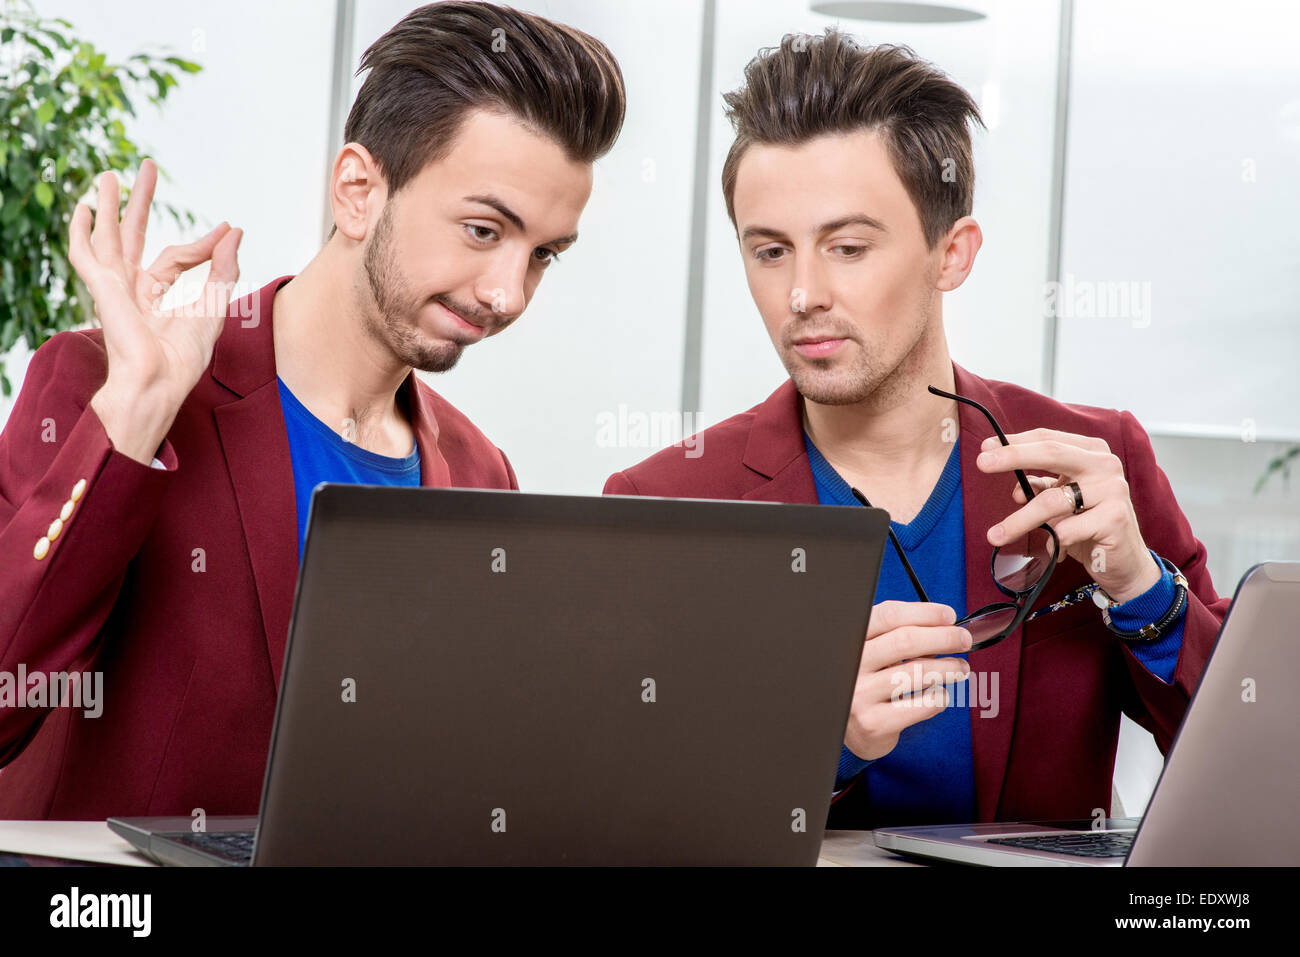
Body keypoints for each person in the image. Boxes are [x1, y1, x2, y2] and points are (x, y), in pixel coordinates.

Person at [0, 1, 625, 819]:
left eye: (542, 254)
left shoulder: (481, 473)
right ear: (358, 190)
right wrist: (134, 414)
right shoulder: (103, 384)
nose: (508, 293)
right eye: (482, 230)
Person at [603, 29, 1228, 829]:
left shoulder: (1098, 464)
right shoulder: (666, 502)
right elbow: (628, 814)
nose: (802, 294)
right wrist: (819, 746)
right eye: (770, 251)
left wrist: (1142, 587)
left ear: (951, 254)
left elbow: (1248, 766)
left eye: (848, 247)